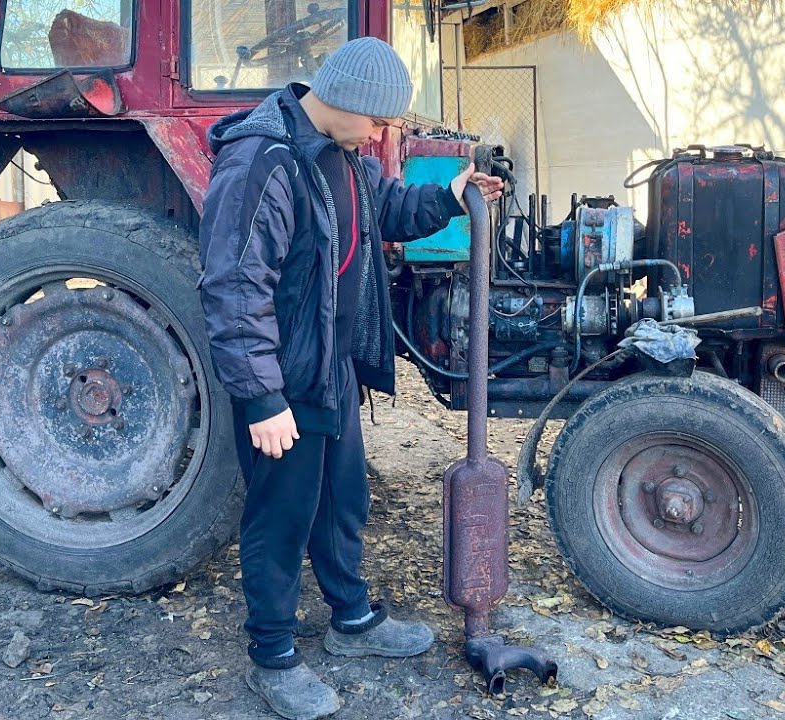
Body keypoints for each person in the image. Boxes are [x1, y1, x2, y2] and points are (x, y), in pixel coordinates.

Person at [198, 36, 504, 720]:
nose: (382, 133)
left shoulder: (340, 156)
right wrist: (263, 397)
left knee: (342, 501)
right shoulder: (262, 162)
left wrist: (450, 196)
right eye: (379, 120)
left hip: (330, 368)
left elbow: (386, 208)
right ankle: (273, 655)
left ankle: (352, 620)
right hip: (284, 381)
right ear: (344, 99)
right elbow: (234, 286)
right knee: (281, 518)